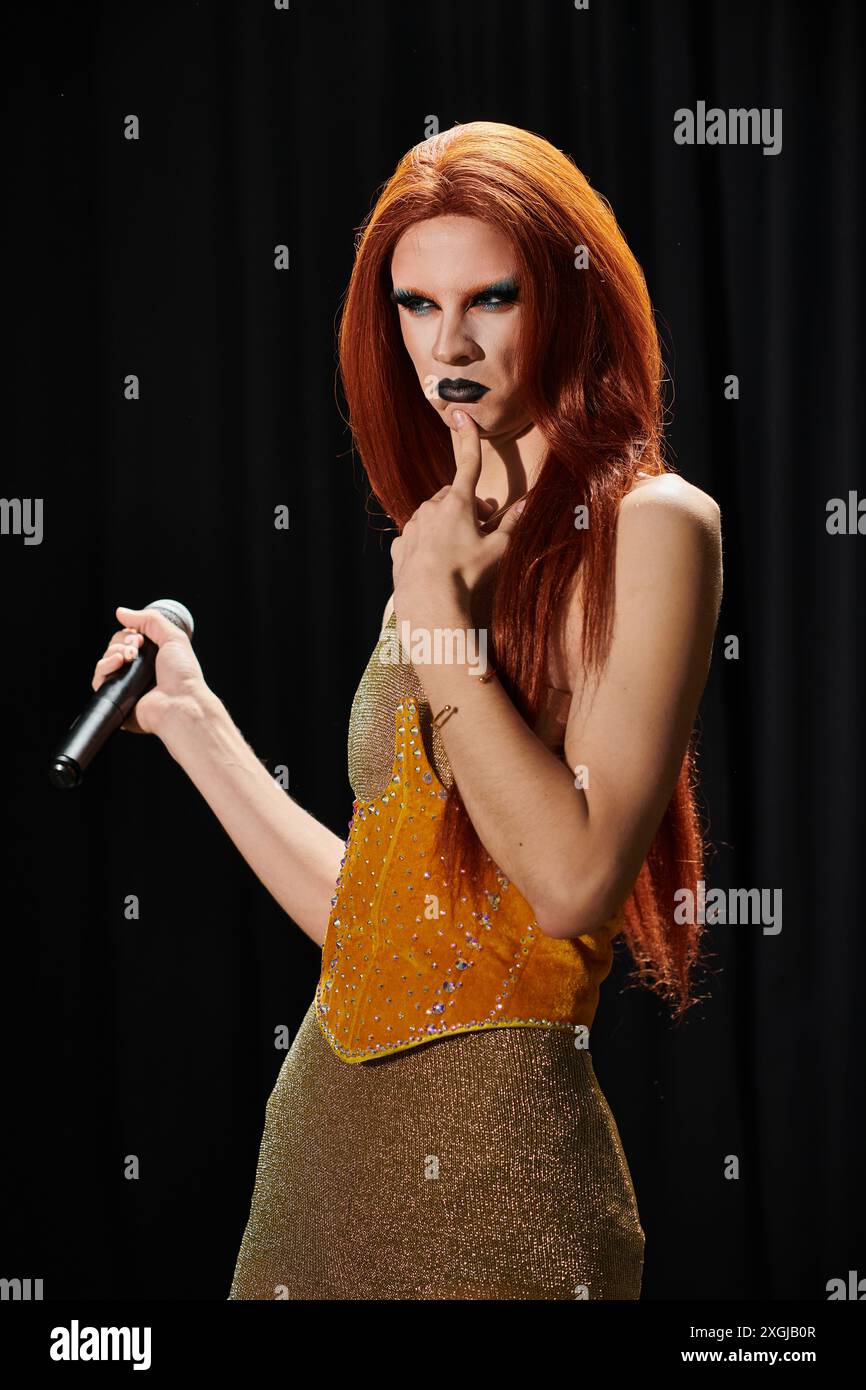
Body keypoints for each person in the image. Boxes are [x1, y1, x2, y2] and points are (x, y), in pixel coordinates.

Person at [92, 121, 722, 1300]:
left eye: (491, 297)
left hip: (498, 1182)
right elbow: (387, 923)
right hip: (316, 1158)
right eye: (414, 305)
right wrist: (193, 721)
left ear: (570, 300)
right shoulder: (437, 535)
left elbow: (575, 881)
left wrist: (433, 615)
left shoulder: (653, 525)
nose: (450, 343)